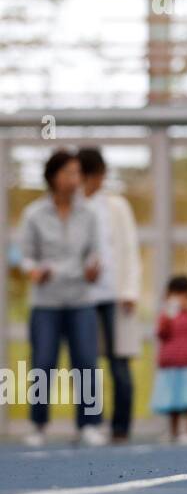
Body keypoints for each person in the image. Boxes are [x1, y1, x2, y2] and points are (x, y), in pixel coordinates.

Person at [17, 149, 104, 448]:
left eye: (77, 172)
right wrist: (32, 270)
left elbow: (95, 251)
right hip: (46, 303)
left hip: (81, 299)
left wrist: (94, 266)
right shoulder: (33, 214)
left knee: (86, 364)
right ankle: (38, 425)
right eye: (69, 172)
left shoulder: (89, 213)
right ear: (53, 176)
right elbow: (23, 255)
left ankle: (89, 425)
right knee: (42, 364)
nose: (74, 178)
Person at [78, 147, 143, 444]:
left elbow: (129, 249)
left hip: (115, 295)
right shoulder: (74, 207)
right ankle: (90, 425)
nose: (92, 182)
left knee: (119, 363)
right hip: (82, 297)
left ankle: (121, 428)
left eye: (96, 175)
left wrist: (130, 290)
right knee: (87, 362)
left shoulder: (116, 206)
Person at [152, 275, 187, 445]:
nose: (179, 299)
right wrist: (168, 315)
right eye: (175, 294)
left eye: (183, 295)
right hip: (170, 365)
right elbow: (161, 333)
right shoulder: (165, 316)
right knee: (172, 402)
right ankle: (173, 431)